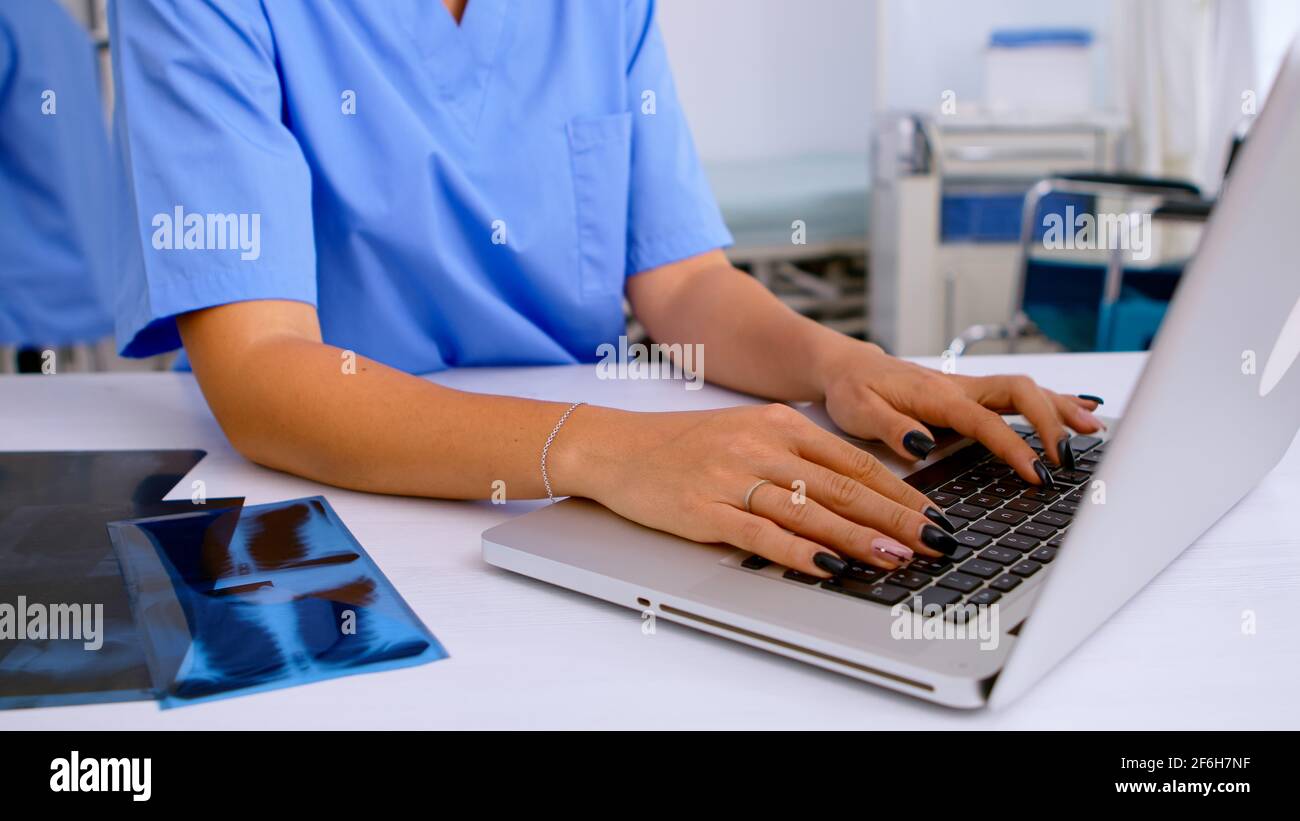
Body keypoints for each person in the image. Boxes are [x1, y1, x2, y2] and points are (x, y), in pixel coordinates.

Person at [108, 0, 1103, 580]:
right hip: (327, 503)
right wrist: (613, 450)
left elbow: (680, 285)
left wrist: (848, 366)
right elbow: (261, 369)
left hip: (582, 506)